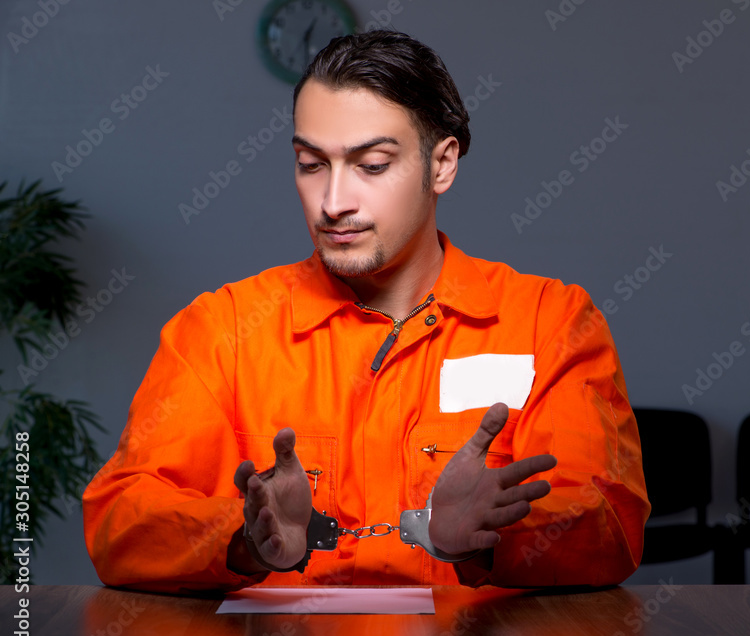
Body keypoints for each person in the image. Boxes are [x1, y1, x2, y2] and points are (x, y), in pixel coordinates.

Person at [82, 29, 649, 593]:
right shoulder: (221, 330)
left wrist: (485, 538)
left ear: (442, 164)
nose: (333, 203)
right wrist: (244, 539)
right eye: (311, 164)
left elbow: (610, 522)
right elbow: (120, 519)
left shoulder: (551, 324)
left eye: (372, 165)